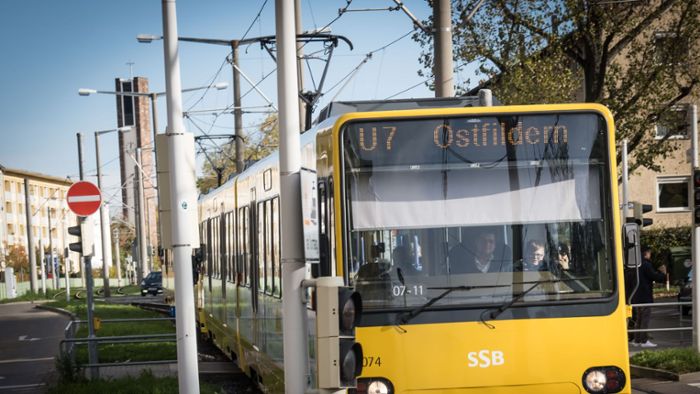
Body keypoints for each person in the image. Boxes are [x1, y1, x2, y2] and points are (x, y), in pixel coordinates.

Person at [629, 247, 667, 348]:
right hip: (645, 296)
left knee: (639, 319)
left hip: (636, 296)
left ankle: (637, 340)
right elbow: (654, 277)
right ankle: (644, 340)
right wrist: (663, 273)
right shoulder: (646, 264)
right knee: (645, 319)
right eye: (650, 253)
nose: (650, 255)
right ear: (647, 253)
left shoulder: (635, 265)